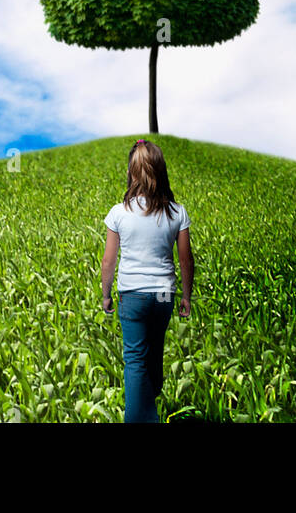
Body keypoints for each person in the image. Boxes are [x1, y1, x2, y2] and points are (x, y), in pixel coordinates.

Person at [101, 139, 194, 423]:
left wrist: (106, 294)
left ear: (131, 173)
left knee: (135, 360)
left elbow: (108, 260)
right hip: (163, 296)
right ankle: (149, 402)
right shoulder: (177, 212)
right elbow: (186, 260)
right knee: (153, 351)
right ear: (160, 170)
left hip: (132, 295)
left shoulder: (119, 212)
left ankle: (139, 417)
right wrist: (186, 297)